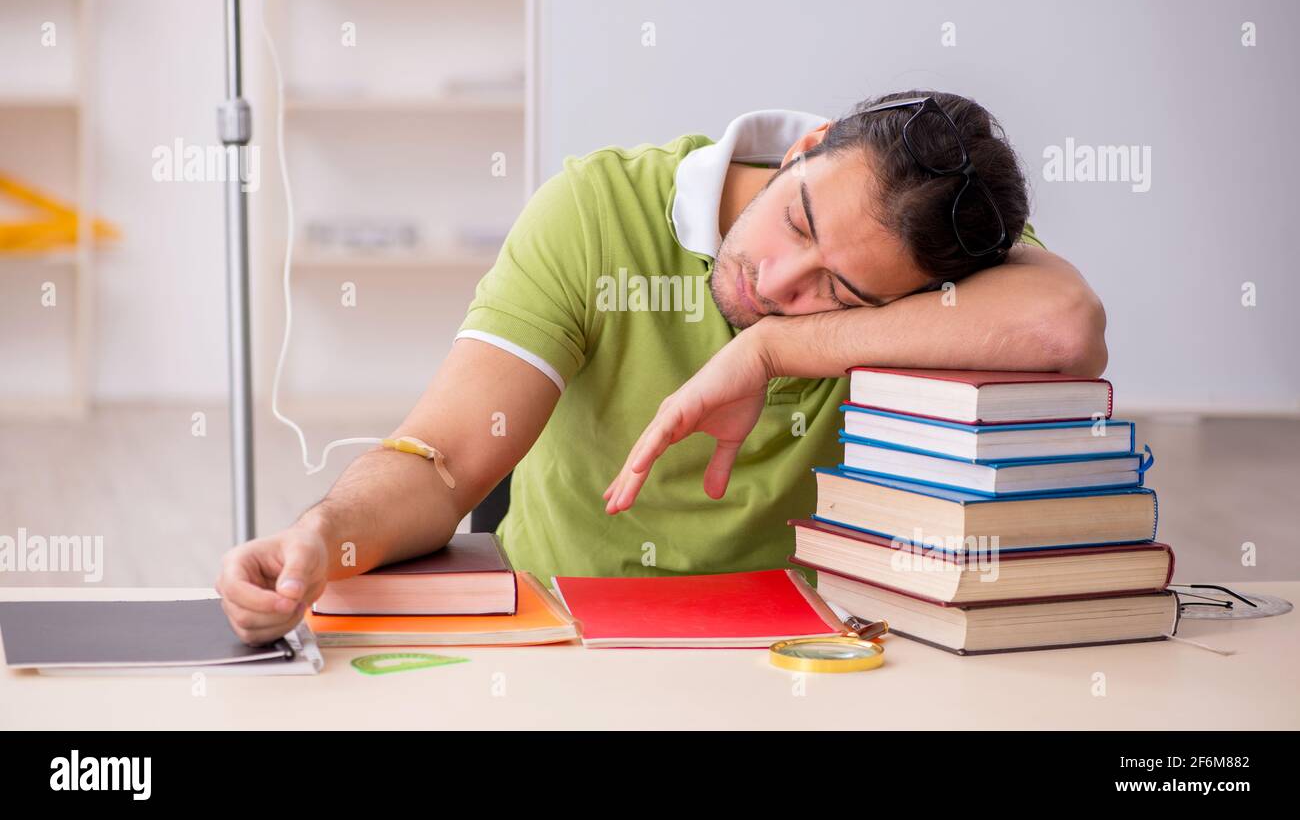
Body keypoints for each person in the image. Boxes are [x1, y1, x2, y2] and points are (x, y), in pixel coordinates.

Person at [216, 91, 1107, 646]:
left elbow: (1066, 325)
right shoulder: (597, 210)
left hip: (805, 657)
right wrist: (321, 538)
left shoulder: (932, 249)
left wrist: (770, 348)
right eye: (796, 223)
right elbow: (443, 459)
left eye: (840, 291)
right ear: (808, 145)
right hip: (563, 645)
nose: (776, 282)